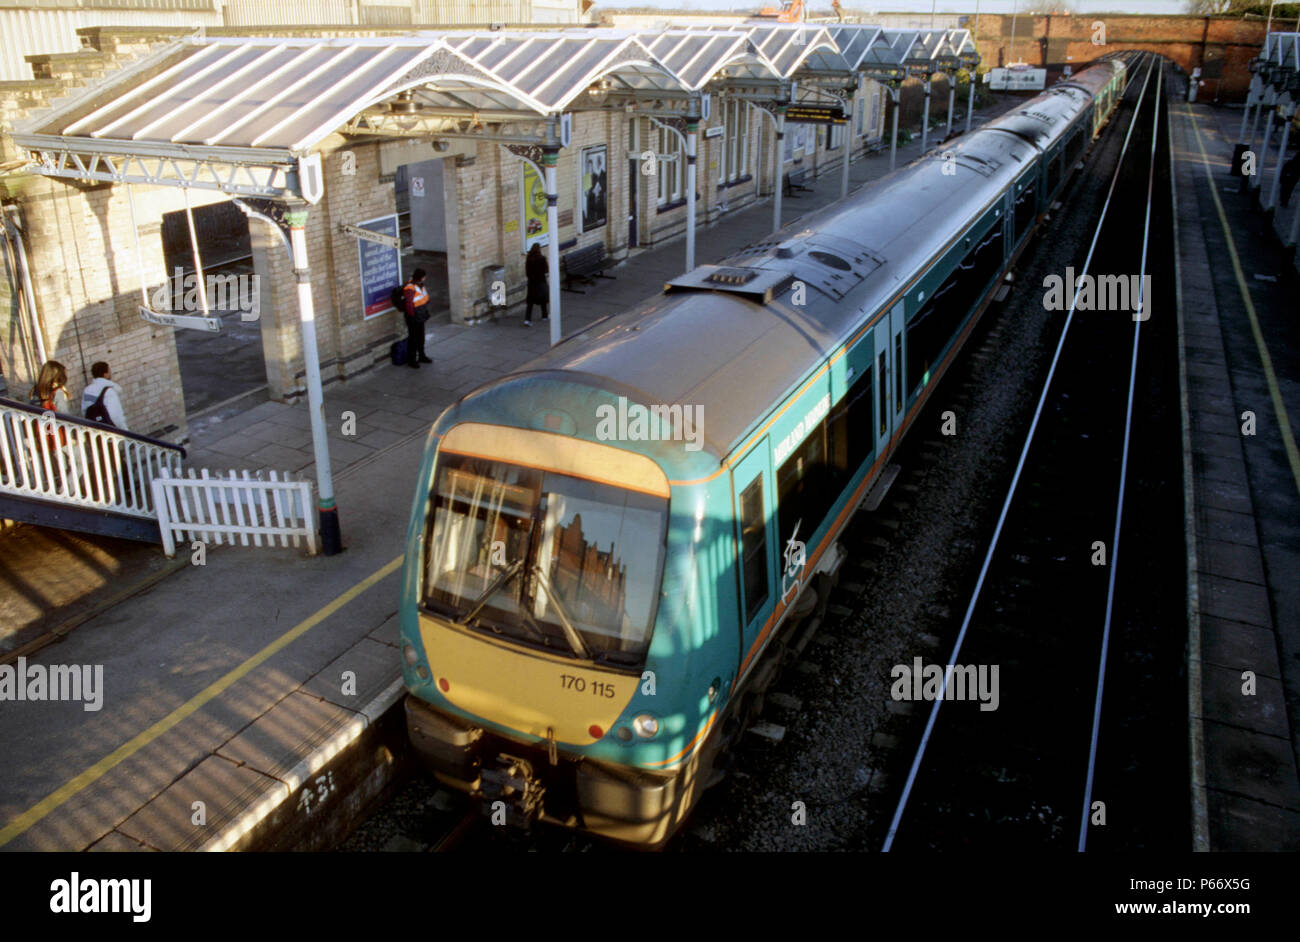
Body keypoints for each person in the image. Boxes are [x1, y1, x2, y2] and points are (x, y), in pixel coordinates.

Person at [81, 361, 129, 430]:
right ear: (105, 374)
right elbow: (115, 415)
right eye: (109, 371)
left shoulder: (87, 390)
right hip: (110, 432)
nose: (110, 373)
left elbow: (85, 410)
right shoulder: (109, 391)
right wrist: (124, 430)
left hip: (94, 430)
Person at [402, 268, 432, 369]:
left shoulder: (420, 285)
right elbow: (409, 304)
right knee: (413, 339)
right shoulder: (410, 287)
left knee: (421, 337)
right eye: (424, 276)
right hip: (413, 317)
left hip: (420, 315)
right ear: (422, 277)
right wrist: (412, 316)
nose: (425, 278)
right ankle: (412, 360)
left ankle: (422, 356)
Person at [525, 243, 549, 326]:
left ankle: (527, 319)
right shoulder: (542, 258)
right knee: (543, 299)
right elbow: (546, 270)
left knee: (530, 302)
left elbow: (527, 272)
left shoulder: (528, 258)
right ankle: (544, 316)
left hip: (532, 283)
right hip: (541, 281)